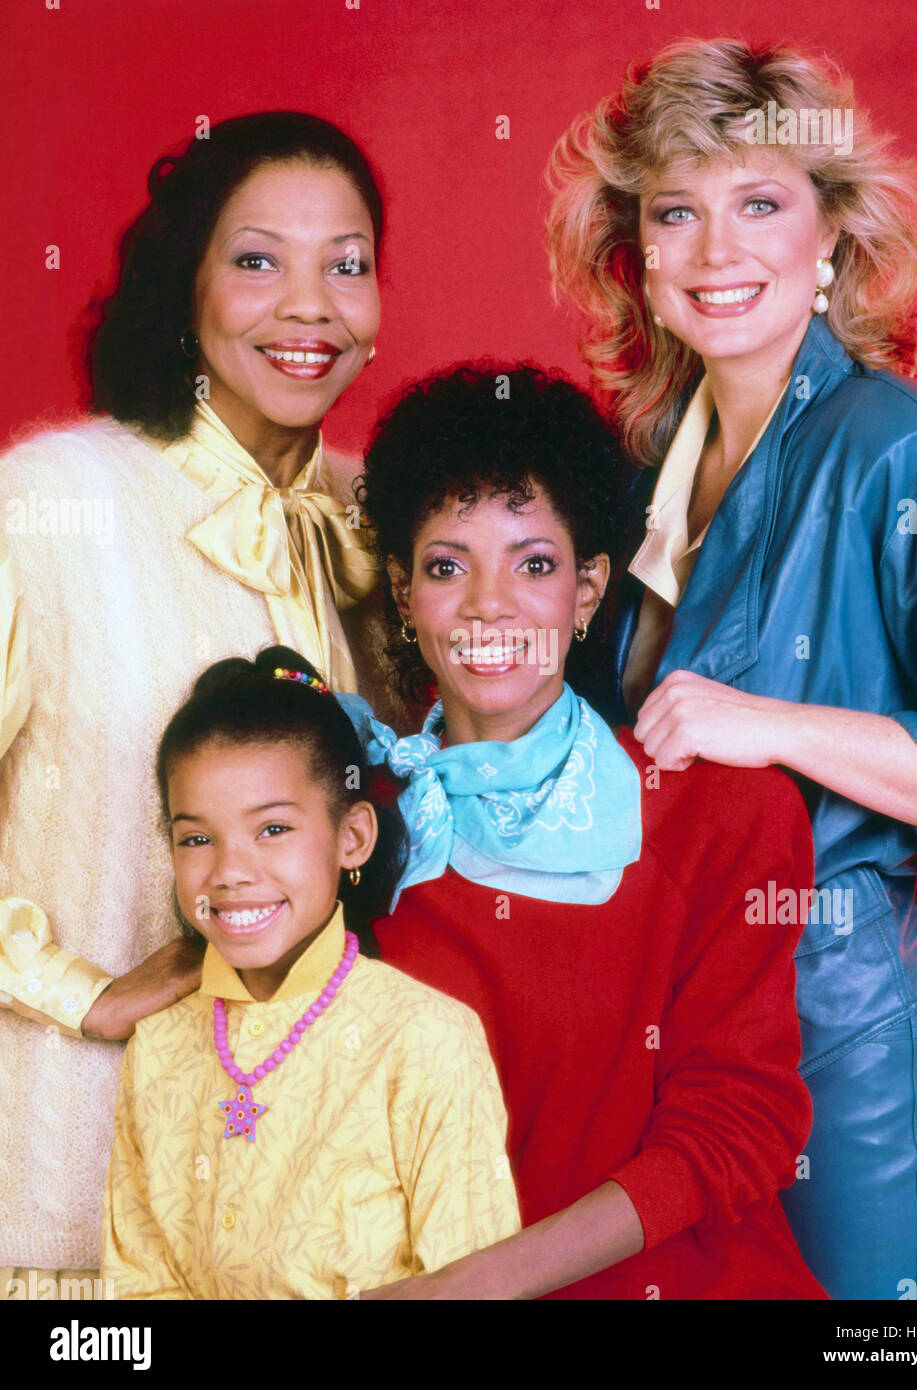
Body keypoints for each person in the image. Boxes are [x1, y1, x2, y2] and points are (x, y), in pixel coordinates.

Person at [545, 38, 917, 1298]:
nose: (714, 250)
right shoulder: (641, 473)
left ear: (834, 240)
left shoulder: (907, 449)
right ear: (636, 254)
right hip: (670, 1026)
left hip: (842, 1024)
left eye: (761, 204)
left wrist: (777, 725)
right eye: (676, 213)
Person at [0, 111, 388, 1292]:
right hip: (67, 1204)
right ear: (188, 285)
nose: (311, 305)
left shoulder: (370, 529)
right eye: (260, 259)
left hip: (297, 1223)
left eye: (350, 264)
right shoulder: (52, 502)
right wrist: (84, 991)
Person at [343, 363, 825, 1299]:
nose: (491, 605)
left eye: (534, 563)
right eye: (448, 565)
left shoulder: (721, 817)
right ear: (401, 593)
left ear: (590, 588)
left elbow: (738, 1125)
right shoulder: (352, 829)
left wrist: (474, 1287)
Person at [101, 647, 520, 1298]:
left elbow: (478, 1286)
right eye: (195, 838)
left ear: (351, 838)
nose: (230, 871)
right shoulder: (156, 1049)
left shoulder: (425, 1040)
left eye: (272, 828)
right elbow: (140, 1291)